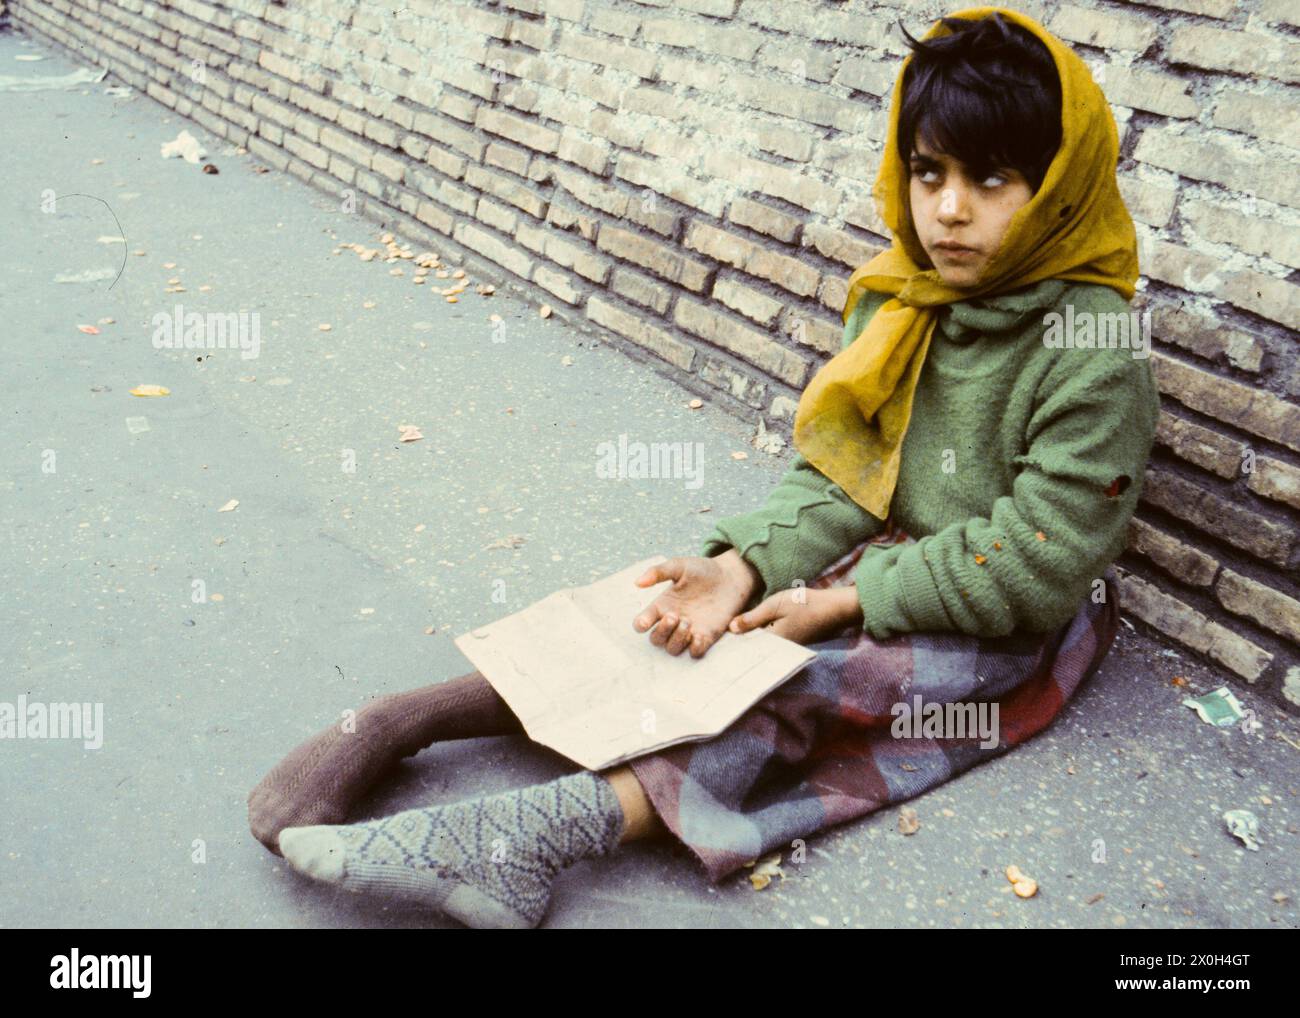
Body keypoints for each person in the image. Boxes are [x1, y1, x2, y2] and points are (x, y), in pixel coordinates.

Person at [248, 6, 1159, 929]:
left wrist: (843, 601)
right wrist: (742, 568)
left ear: (1059, 189)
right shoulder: (906, 302)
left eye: (992, 178)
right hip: (887, 554)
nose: (949, 208)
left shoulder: (1094, 347)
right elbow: (846, 477)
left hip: (996, 614)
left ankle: (532, 837)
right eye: (928, 172)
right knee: (685, 619)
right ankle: (411, 719)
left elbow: (1039, 560)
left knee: (805, 689)